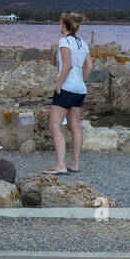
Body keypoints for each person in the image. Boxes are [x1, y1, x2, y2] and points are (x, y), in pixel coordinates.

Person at [45, 11, 92, 175]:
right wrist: (81, 81)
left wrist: (59, 84)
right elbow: (89, 66)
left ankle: (60, 164)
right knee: (75, 126)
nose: (59, 25)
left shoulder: (64, 41)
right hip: (80, 89)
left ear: (64, 25)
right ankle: (74, 163)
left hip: (67, 88)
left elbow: (66, 65)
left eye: (60, 23)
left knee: (54, 125)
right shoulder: (83, 43)